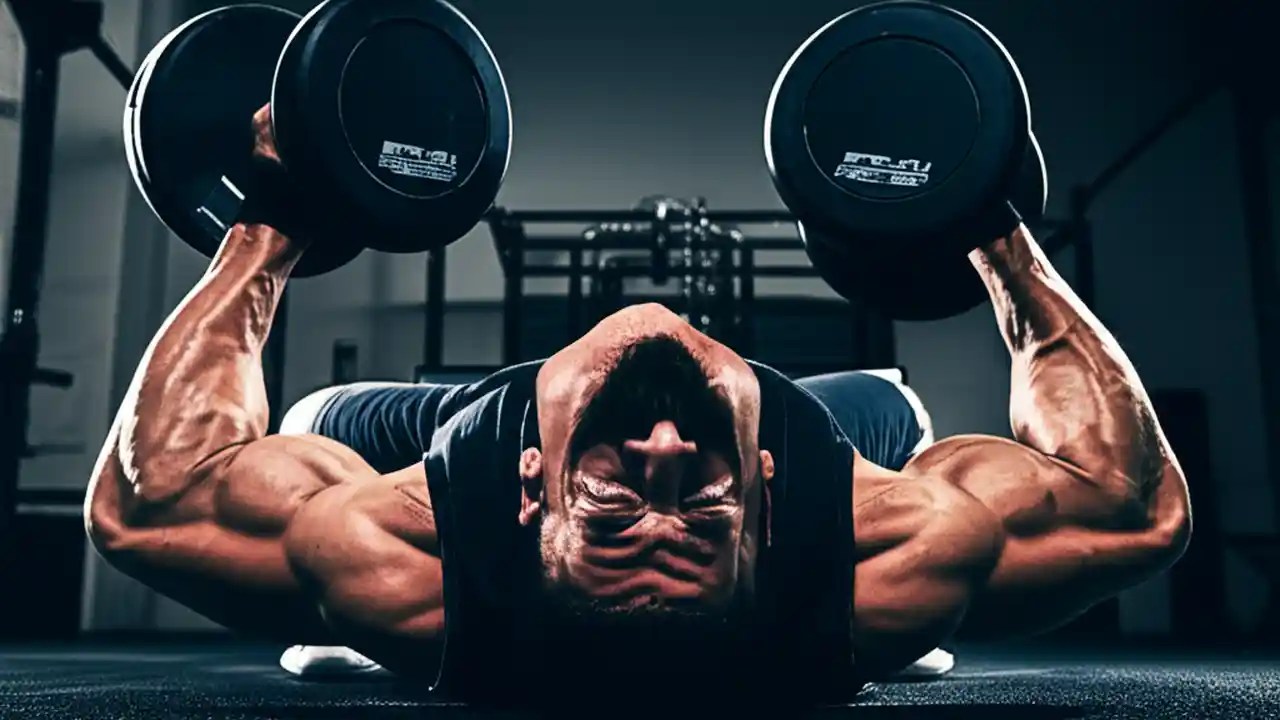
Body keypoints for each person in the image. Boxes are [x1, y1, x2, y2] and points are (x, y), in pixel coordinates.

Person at [85, 108, 1191, 705]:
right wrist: (995, 238)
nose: (662, 449)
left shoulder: (414, 556)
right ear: (762, 505)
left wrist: (267, 226)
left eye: (611, 506)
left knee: (315, 419)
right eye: (695, 509)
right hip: (812, 450)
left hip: (462, 438)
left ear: (530, 495)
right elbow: (1129, 509)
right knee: (888, 410)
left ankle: (346, 639)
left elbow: (150, 504)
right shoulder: (868, 547)